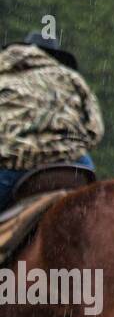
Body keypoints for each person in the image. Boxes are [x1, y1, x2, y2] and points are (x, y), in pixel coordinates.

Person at [0, 32, 101, 213]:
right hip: (72, 162)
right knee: (98, 211)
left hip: (17, 161)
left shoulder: (4, 78)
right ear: (55, 56)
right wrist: (66, 145)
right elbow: (95, 131)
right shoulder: (73, 79)